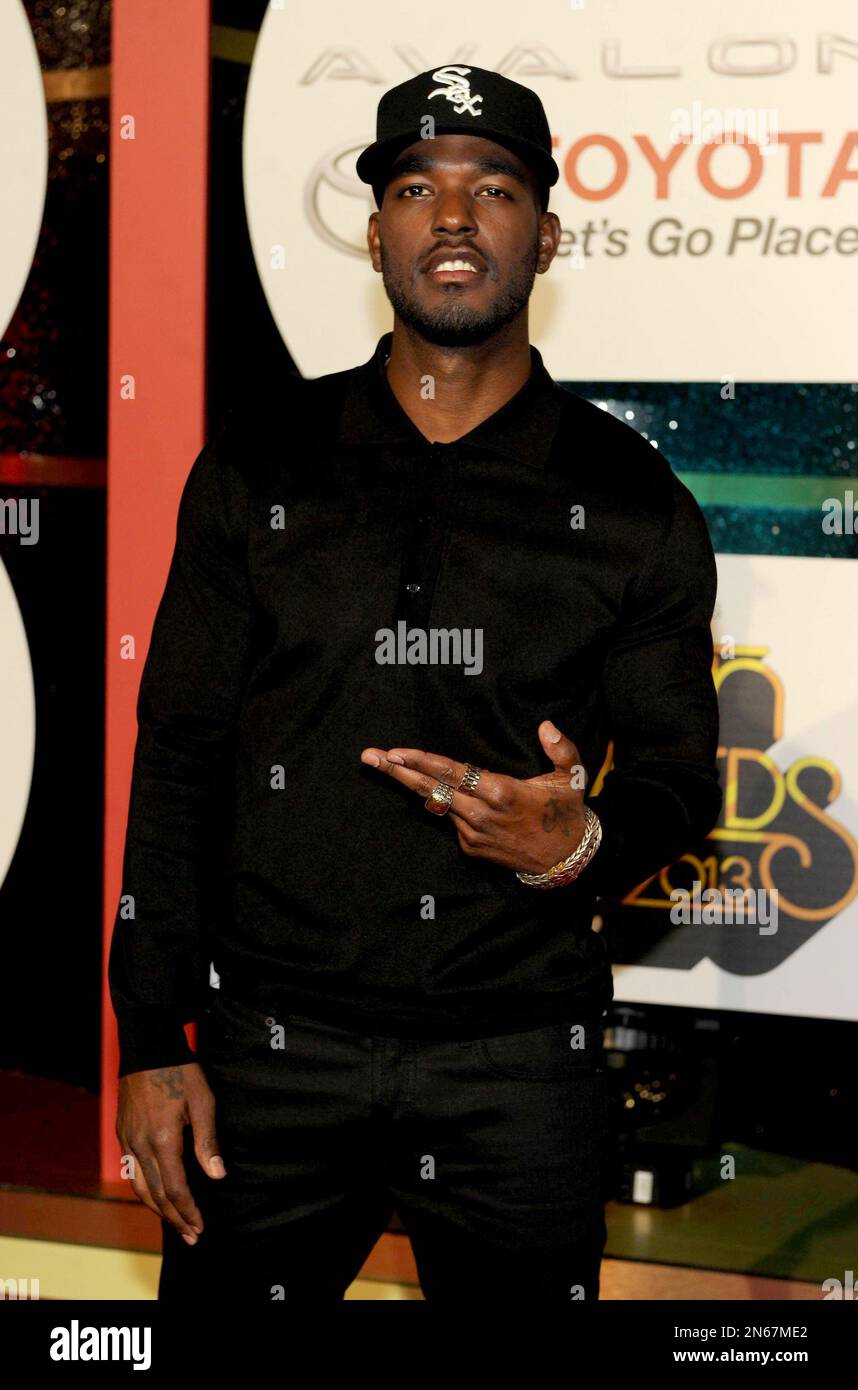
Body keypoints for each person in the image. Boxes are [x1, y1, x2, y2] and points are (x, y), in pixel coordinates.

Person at [109, 64, 723, 1302]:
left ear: (544, 234)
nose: (453, 216)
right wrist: (149, 1039)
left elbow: (676, 784)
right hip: (269, 1059)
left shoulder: (634, 503)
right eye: (415, 188)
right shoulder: (257, 466)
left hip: (518, 1070)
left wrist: (578, 840)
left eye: (493, 187)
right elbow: (178, 750)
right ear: (378, 230)